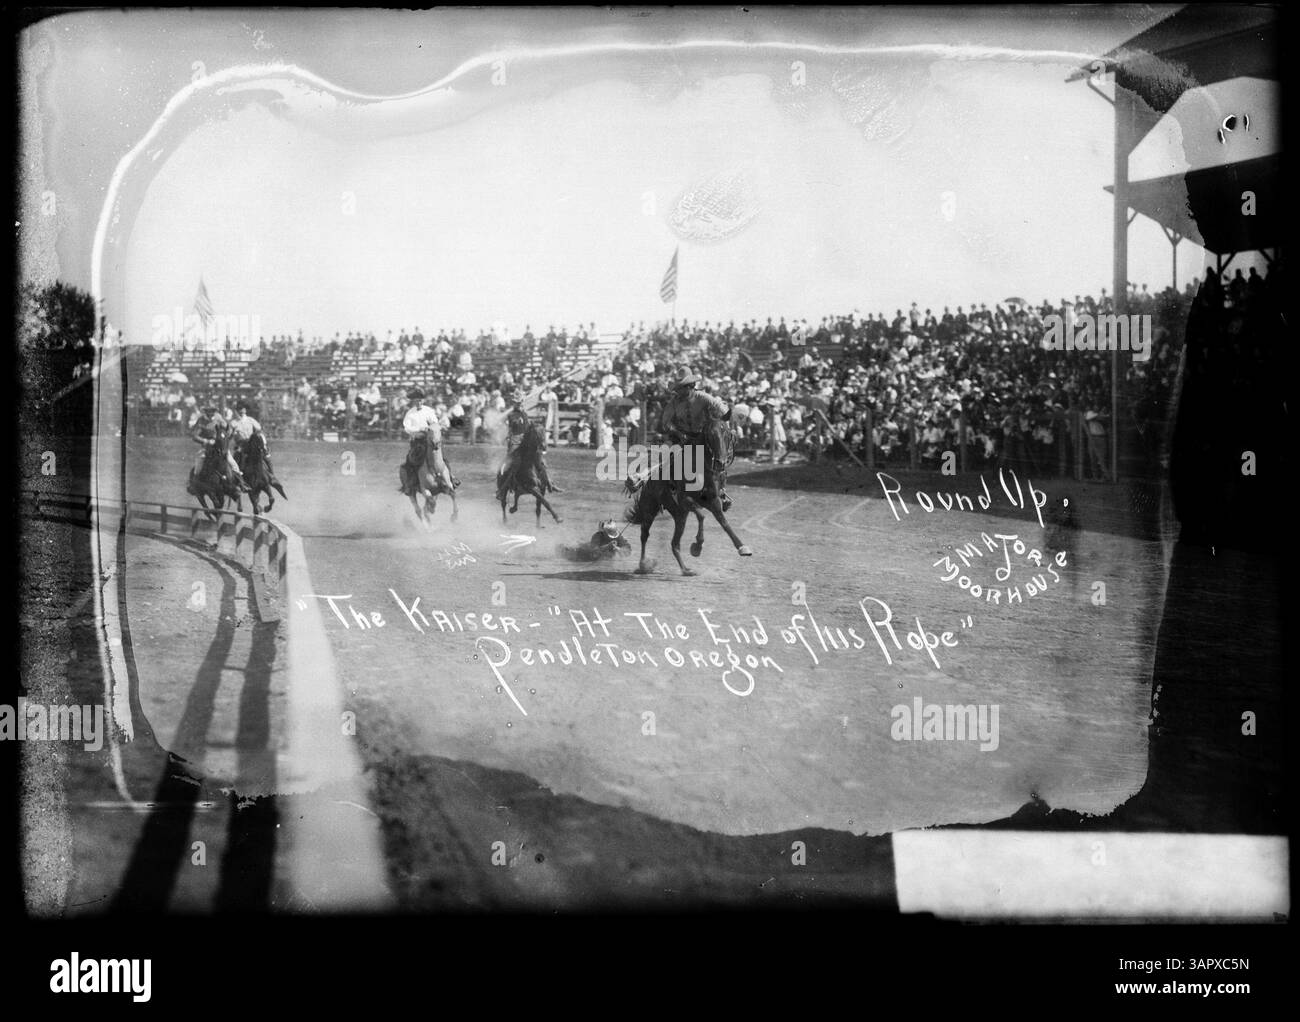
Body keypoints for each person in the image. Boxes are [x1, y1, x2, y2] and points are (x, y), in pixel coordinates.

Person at [658, 366, 732, 510]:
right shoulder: (674, 403)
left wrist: (723, 427)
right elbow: (665, 422)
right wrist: (677, 432)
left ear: (690, 386)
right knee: (666, 456)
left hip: (703, 436)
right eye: (677, 389)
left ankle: (721, 492)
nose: (678, 392)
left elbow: (722, 411)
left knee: (718, 456)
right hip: (682, 437)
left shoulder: (703, 398)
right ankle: (667, 490)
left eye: (680, 388)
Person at [399, 388, 458, 496]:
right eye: (416, 401)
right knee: (411, 459)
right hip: (417, 441)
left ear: (423, 401)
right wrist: (419, 430)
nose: (419, 402)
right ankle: (411, 483)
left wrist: (430, 428)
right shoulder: (410, 413)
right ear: (413, 402)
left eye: (420, 400)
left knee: (442, 459)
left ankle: (451, 478)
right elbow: (407, 428)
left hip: (430, 439)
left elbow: (434, 423)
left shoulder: (428, 411)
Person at [188, 404, 246, 494]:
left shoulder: (218, 417)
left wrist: (227, 434)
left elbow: (228, 428)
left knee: (233, 463)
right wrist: (206, 441)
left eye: (212, 411)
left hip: (220, 447)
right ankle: (194, 484)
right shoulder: (201, 421)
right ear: (206, 411)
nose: (211, 413)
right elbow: (194, 435)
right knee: (199, 462)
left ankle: (241, 484)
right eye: (209, 411)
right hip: (207, 448)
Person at [230, 401, 274, 477]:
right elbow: (230, 435)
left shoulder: (250, 420)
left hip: (252, 443)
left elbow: (259, 429)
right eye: (239, 409)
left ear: (245, 410)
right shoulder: (233, 423)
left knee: (265, 456)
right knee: (236, 458)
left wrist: (258, 434)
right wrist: (234, 433)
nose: (241, 411)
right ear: (237, 411)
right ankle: (237, 477)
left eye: (242, 409)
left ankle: (272, 475)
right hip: (241, 444)